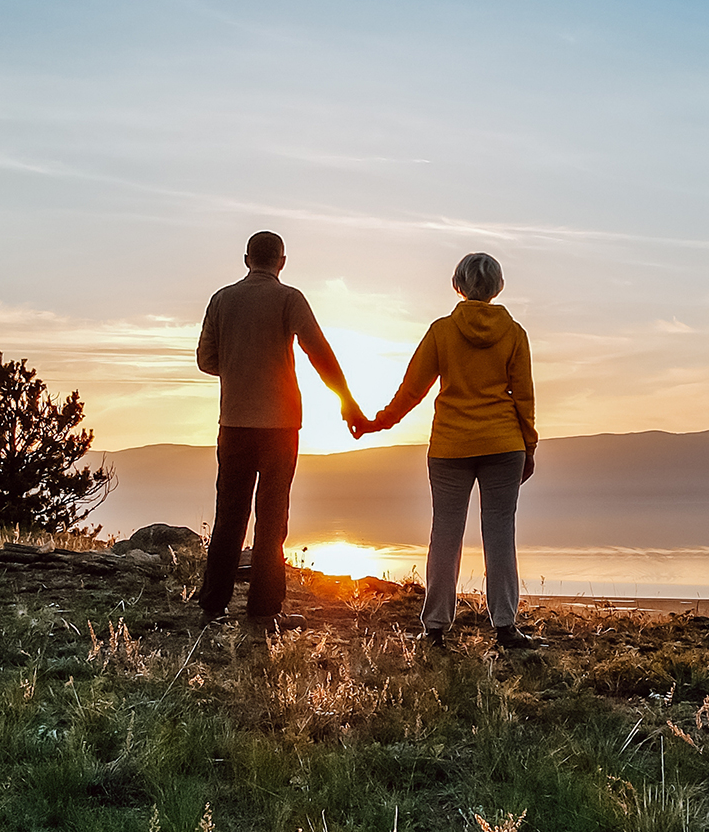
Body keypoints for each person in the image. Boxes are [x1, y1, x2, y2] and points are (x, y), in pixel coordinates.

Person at [363, 252, 540, 650]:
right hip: (503, 444)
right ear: (498, 287)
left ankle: (435, 628)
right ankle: (506, 627)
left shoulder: (442, 331)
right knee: (500, 533)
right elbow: (524, 397)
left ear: (458, 285)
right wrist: (528, 445)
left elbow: (413, 389)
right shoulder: (514, 333)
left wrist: (381, 421)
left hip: (450, 446)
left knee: (445, 532)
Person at [196, 231, 366, 631]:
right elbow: (319, 351)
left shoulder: (221, 300)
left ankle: (213, 607)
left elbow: (205, 359)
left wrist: (238, 367)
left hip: (234, 423)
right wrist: (346, 399)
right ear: (282, 262)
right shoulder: (290, 299)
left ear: (246, 259)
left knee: (229, 515)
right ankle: (265, 611)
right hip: (281, 425)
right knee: (273, 518)